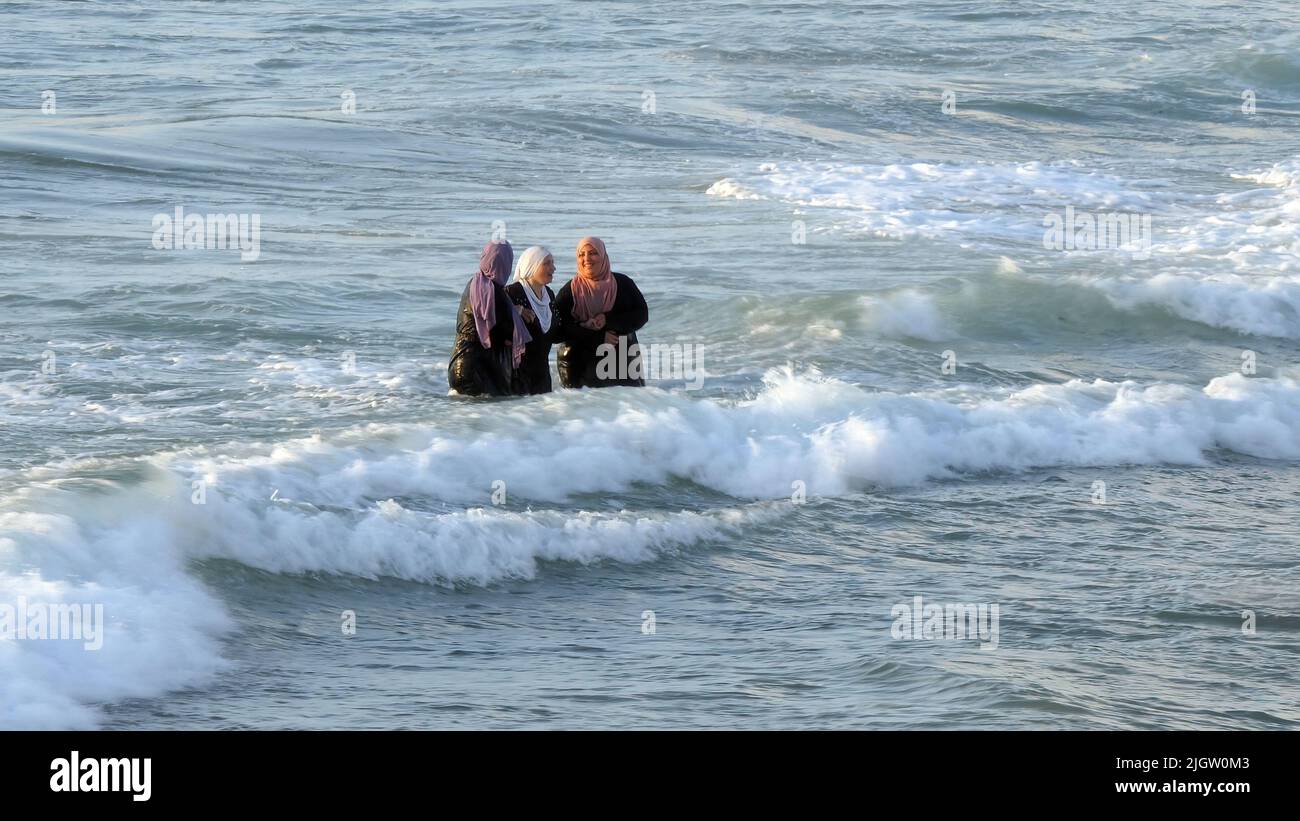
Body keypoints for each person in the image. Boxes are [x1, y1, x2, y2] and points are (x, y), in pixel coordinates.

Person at [554, 236, 648, 388]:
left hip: (623, 360)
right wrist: (597, 336)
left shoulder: (623, 284)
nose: (587, 259)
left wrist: (608, 320)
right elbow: (558, 330)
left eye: (593, 253)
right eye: (581, 254)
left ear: (604, 256)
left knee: (632, 409)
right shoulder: (570, 291)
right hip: (582, 365)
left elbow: (642, 314)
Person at [447, 240, 531, 396]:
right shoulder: (494, 291)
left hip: (458, 362)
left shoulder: (474, 285)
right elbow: (500, 331)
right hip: (477, 369)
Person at [505, 245, 559, 394]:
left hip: (542, 377)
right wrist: (516, 311)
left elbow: (557, 332)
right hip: (516, 377)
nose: (553, 268)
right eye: (547, 263)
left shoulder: (549, 294)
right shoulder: (512, 292)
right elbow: (493, 324)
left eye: (553, 263)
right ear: (531, 266)